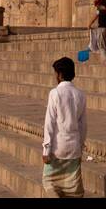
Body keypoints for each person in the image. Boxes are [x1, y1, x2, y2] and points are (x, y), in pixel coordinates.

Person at [42, 56, 87, 197]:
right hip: (73, 148)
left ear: (60, 74)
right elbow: (83, 125)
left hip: (57, 149)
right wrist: (80, 147)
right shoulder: (80, 95)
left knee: (49, 184)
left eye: (55, 73)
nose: (55, 76)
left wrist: (46, 149)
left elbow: (50, 122)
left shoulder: (55, 93)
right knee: (73, 191)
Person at [87, 0, 106, 64]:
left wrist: (89, 25)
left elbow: (93, 19)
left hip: (100, 29)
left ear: (101, 4)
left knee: (101, 45)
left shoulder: (99, 11)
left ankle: (105, 60)